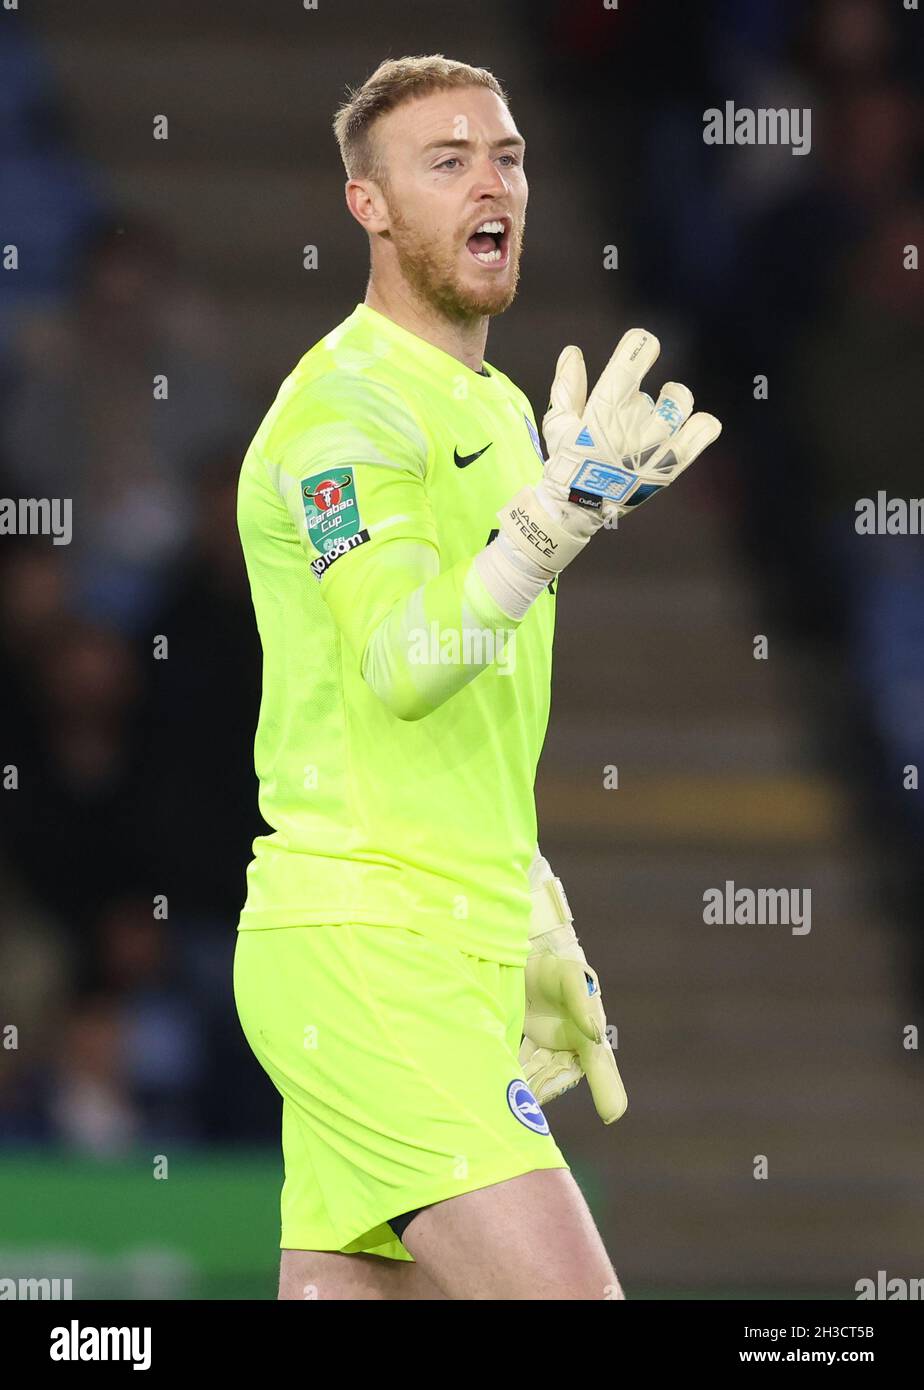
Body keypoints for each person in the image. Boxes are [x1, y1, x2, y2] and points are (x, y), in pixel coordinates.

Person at [234, 54, 721, 1301]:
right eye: (445, 162)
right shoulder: (339, 417)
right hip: (365, 946)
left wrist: (525, 900)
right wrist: (549, 526)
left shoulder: (504, 407)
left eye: (505, 154)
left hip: (440, 938)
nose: (489, 180)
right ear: (371, 208)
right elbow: (402, 663)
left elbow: (463, 710)